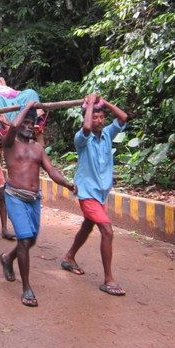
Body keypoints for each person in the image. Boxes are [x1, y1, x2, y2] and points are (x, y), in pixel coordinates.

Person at [0, 100, 76, 308]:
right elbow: (13, 126)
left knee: (30, 240)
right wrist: (27, 107)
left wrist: (68, 184)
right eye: (25, 122)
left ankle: (7, 258)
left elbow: (52, 171)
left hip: (33, 199)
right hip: (14, 196)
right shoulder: (9, 143)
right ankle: (27, 288)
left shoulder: (38, 148)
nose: (27, 126)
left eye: (31, 123)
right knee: (24, 241)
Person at [61, 93, 128, 296]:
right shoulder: (82, 138)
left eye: (101, 117)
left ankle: (69, 256)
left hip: (101, 192)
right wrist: (90, 104)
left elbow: (123, 117)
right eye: (94, 117)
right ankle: (108, 280)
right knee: (107, 231)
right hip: (87, 191)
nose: (98, 121)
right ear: (87, 118)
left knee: (88, 225)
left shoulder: (108, 133)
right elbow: (88, 128)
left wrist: (101, 101)